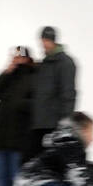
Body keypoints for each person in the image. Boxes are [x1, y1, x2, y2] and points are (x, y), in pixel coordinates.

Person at [0, 45, 36, 186]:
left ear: (26, 58)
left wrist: (20, 103)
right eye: (14, 56)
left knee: (17, 183)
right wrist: (6, 72)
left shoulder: (33, 76)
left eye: (19, 56)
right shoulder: (9, 76)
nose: (16, 59)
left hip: (19, 141)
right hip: (1, 140)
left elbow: (36, 103)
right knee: (1, 182)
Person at [27, 26, 77, 159]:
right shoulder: (44, 64)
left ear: (53, 40)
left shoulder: (65, 62)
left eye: (46, 41)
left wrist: (64, 123)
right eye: (42, 41)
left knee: (50, 167)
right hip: (38, 125)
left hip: (53, 125)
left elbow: (68, 94)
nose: (43, 44)